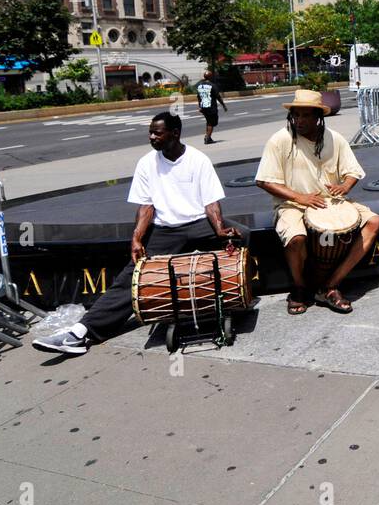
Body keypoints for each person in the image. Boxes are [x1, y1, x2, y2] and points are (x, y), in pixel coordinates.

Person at [33, 112, 239, 356]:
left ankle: (238, 302)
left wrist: (220, 230)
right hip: (165, 230)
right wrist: (137, 238)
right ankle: (81, 333)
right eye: (150, 132)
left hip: (198, 224)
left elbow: (211, 204)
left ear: (175, 133)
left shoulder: (198, 160)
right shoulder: (146, 163)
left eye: (157, 133)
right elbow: (146, 207)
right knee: (132, 277)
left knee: (241, 235)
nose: (151, 137)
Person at [255, 89, 379, 315]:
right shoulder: (280, 140)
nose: (300, 121)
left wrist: (345, 186)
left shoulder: (335, 138)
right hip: (291, 204)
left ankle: (330, 286)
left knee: (375, 222)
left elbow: (352, 171)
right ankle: (299, 288)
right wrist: (299, 197)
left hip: (331, 201)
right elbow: (264, 181)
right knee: (296, 238)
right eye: (296, 115)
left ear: (318, 117)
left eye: (306, 116)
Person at [195, 70, 228, 144]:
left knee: (208, 121)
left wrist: (200, 106)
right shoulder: (212, 85)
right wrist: (224, 105)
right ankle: (208, 138)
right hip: (211, 107)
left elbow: (198, 97)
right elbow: (218, 97)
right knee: (211, 122)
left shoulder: (200, 86)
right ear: (210, 77)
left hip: (203, 107)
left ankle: (207, 136)